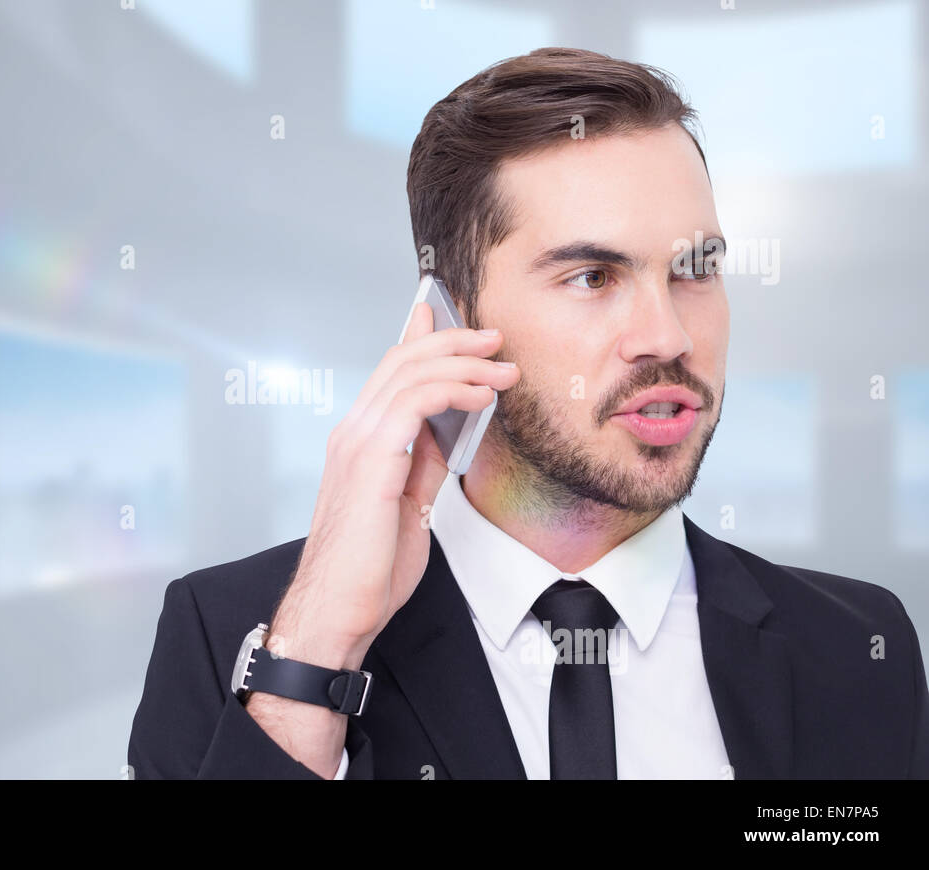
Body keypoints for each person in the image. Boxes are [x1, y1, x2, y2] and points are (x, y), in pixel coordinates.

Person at [127, 47, 929, 779]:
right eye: (592, 277)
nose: (669, 337)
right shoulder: (236, 640)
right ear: (451, 317)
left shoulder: (858, 647)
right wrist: (313, 658)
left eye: (694, 270)